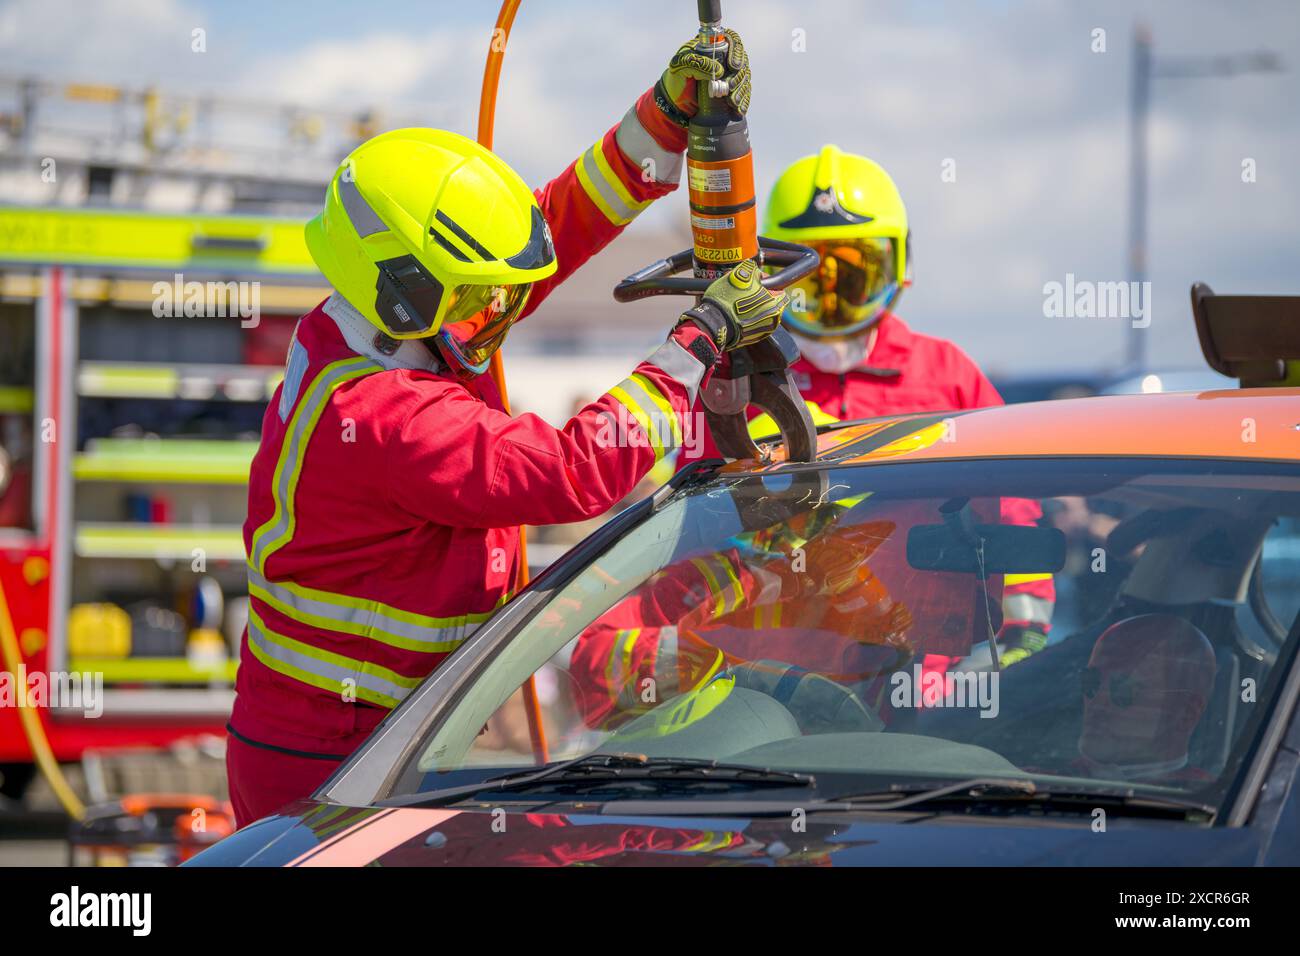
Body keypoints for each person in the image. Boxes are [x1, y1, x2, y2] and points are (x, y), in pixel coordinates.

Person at [225, 32, 791, 827]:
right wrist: (694, 345)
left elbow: (552, 226)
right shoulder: (383, 416)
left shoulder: (382, 322)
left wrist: (662, 121)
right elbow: (573, 471)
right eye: (481, 299)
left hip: (365, 735)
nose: (502, 312)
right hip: (328, 760)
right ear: (406, 293)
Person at [699, 145, 1055, 671]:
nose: (832, 301)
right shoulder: (736, 382)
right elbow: (692, 521)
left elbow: (1011, 508)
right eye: (808, 282)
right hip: (775, 669)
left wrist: (1019, 632)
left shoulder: (947, 376)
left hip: (924, 667)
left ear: (898, 265)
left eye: (852, 276)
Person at [1073, 614, 1218, 784]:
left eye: (1122, 689)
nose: (1096, 702)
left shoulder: (1222, 802)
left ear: (1186, 714)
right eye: (1091, 682)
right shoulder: (1040, 785)